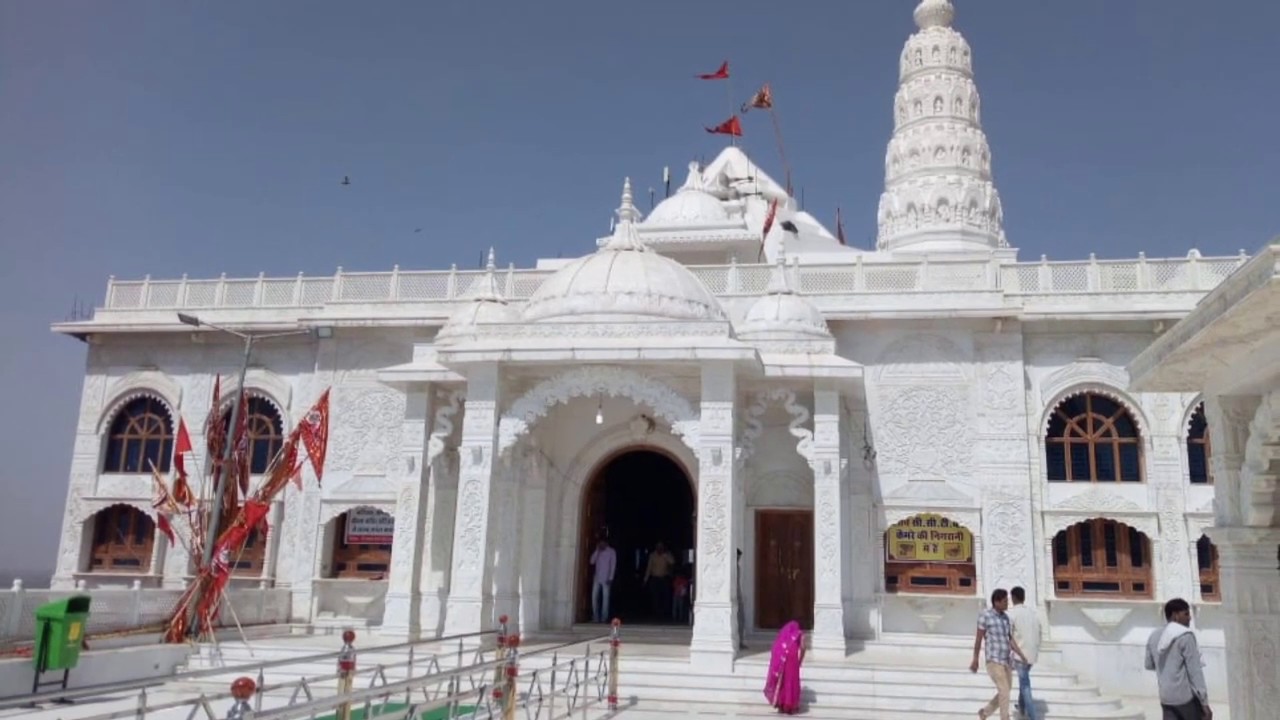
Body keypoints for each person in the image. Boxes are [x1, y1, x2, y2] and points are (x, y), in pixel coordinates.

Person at [1145, 598, 1212, 720]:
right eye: (1186, 614)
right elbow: (1195, 672)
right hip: (1185, 699)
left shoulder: (1154, 636)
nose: (1189, 618)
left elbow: (1149, 664)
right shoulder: (1185, 636)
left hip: (1166, 698)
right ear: (1175, 615)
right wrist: (1204, 703)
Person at [970, 588, 1027, 720]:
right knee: (1004, 690)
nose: (1007, 603)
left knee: (1005, 690)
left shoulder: (1006, 618)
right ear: (997, 602)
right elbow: (979, 638)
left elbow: (1010, 639)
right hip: (993, 660)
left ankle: (985, 712)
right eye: (1005, 601)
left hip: (1006, 661)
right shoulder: (985, 615)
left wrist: (1021, 655)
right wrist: (975, 659)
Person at [1007, 586, 1041, 720]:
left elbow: (1008, 636)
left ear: (1013, 598)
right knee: (1023, 681)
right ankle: (1021, 707)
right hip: (1031, 654)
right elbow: (1039, 633)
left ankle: (1033, 716)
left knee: (1025, 685)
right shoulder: (1033, 614)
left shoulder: (1011, 614)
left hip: (1020, 655)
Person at [763, 620, 804, 714]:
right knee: (791, 681)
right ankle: (790, 706)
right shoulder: (799, 634)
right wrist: (800, 660)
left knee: (782, 681)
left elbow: (776, 648)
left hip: (783, 660)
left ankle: (781, 704)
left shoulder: (784, 636)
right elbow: (803, 647)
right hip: (793, 660)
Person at [643, 541, 675, 620]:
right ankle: (656, 613)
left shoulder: (667, 554)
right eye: (658, 546)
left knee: (665, 596)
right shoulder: (652, 555)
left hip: (664, 578)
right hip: (655, 578)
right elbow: (649, 568)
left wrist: (665, 556)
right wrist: (645, 579)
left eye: (661, 547)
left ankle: (665, 613)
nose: (659, 548)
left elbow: (672, 562)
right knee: (655, 596)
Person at [588, 538, 616, 623]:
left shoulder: (611, 552)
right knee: (594, 597)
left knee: (605, 599)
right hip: (597, 577)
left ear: (606, 543)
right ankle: (595, 617)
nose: (601, 545)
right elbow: (591, 561)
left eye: (602, 543)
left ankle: (604, 617)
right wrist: (597, 551)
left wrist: (611, 578)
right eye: (600, 543)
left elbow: (613, 565)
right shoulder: (598, 551)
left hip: (606, 578)